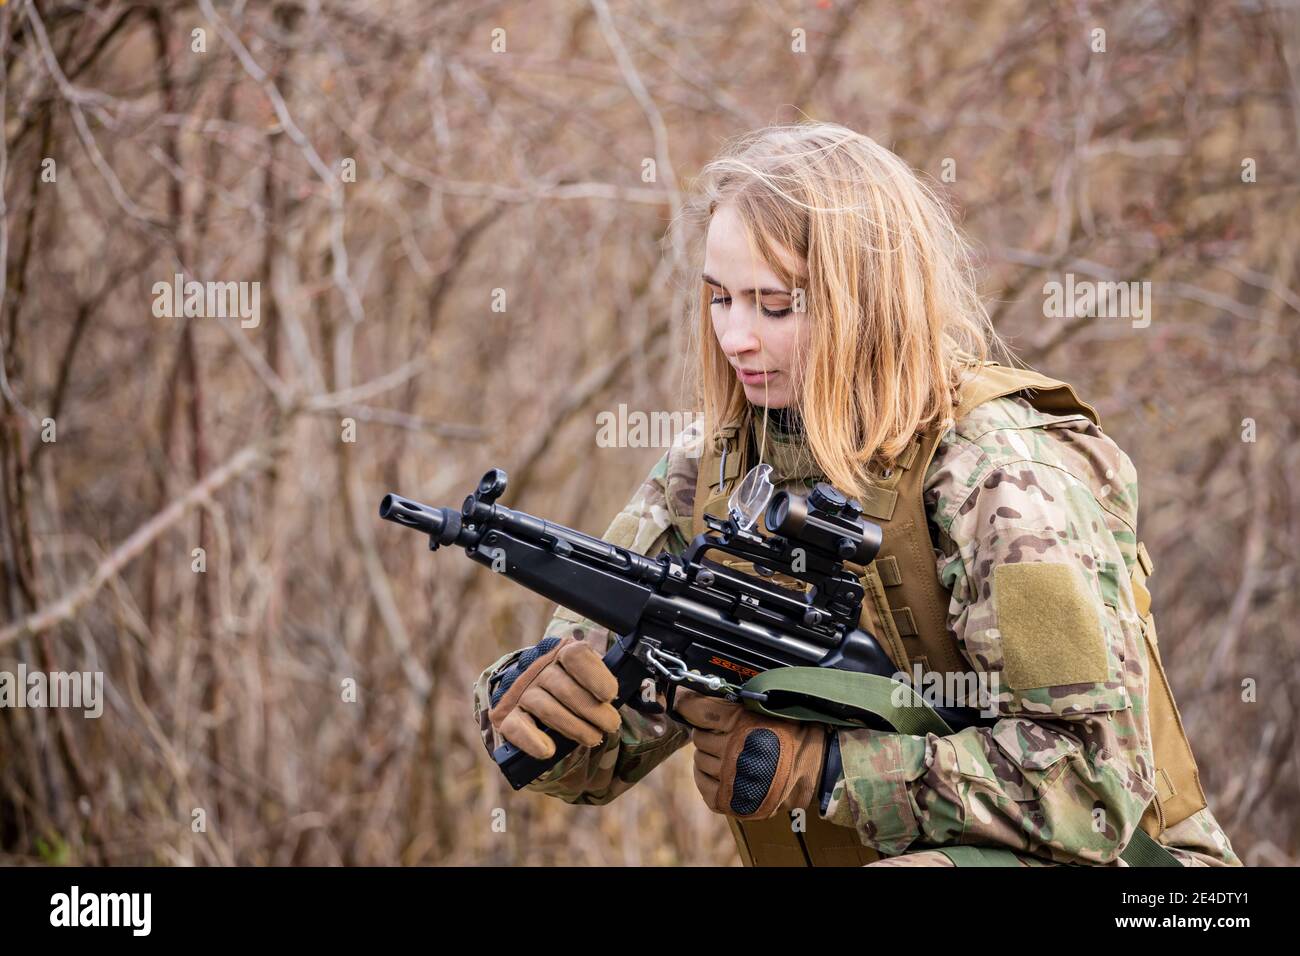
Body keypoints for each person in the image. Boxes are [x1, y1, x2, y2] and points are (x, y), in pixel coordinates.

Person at [471, 122, 1240, 867]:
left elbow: (1090, 789)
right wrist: (535, 712)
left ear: (867, 304)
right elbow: (599, 755)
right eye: (719, 299)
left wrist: (831, 771)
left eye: (776, 306)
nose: (736, 336)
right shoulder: (712, 470)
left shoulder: (999, 472)